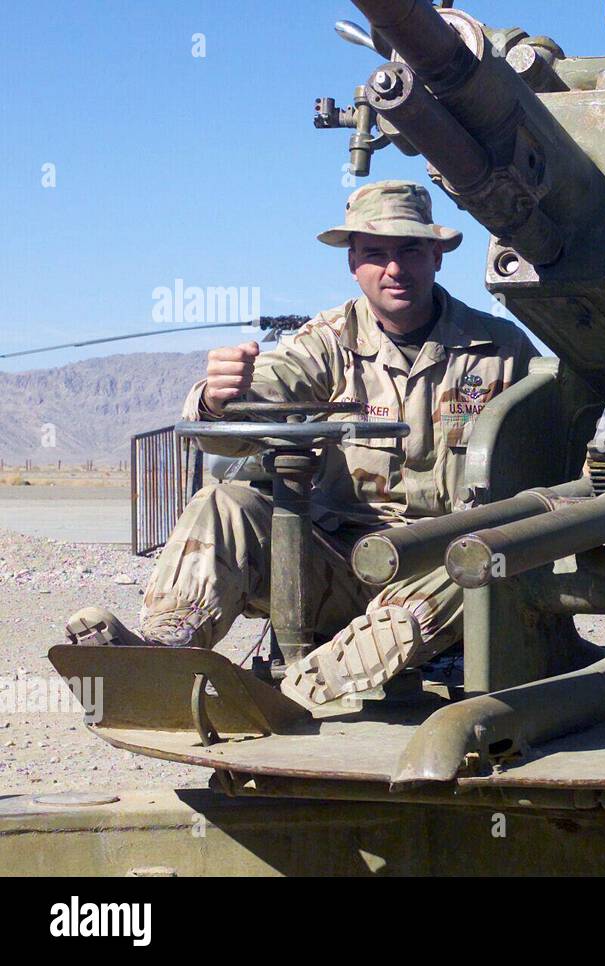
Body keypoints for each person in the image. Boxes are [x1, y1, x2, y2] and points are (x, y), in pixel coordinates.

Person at [65, 180, 539, 709]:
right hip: (338, 567)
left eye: (409, 250)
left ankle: (316, 683)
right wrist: (220, 397)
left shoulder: (501, 349)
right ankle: (165, 653)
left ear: (436, 256)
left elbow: (554, 441)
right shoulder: (326, 343)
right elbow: (253, 401)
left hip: (444, 566)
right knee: (224, 503)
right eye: (375, 254)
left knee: (484, 555)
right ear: (353, 264)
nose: (395, 269)